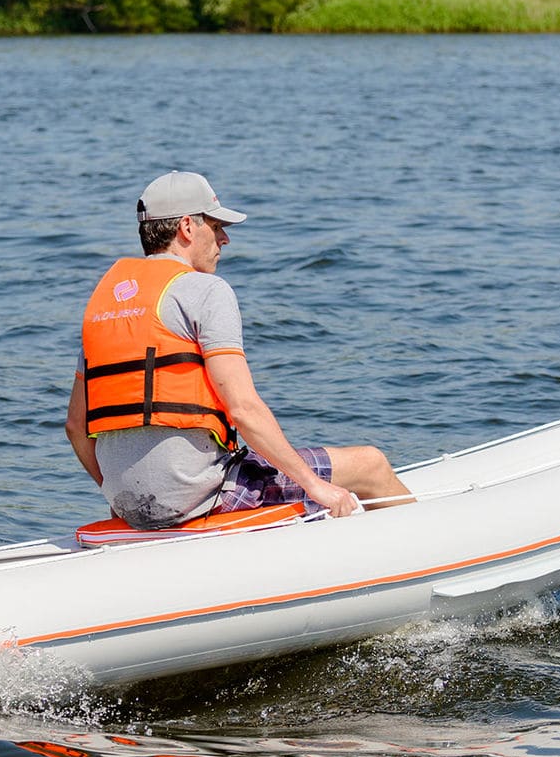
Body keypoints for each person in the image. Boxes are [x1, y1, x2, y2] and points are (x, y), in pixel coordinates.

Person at [65, 170, 411, 529]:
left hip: (127, 502)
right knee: (370, 464)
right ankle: (423, 548)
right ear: (186, 227)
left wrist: (121, 498)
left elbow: (76, 427)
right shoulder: (205, 291)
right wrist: (316, 487)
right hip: (200, 494)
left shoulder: (103, 310)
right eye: (215, 227)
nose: (225, 239)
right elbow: (243, 410)